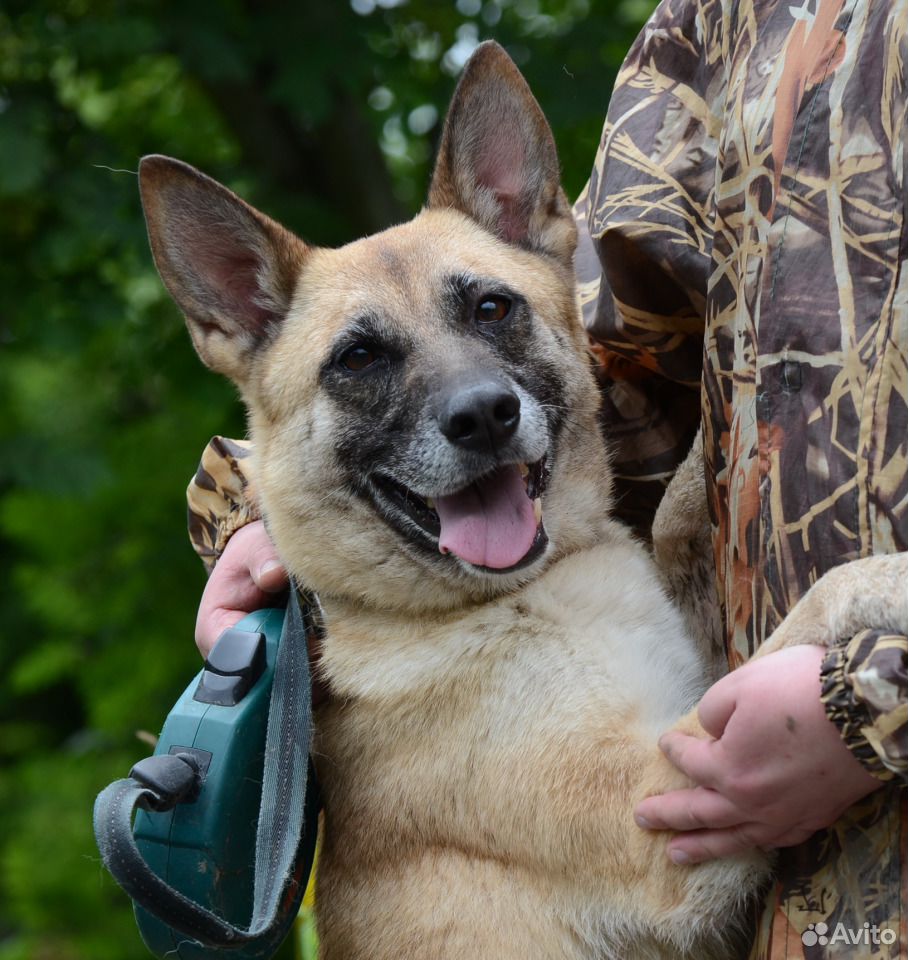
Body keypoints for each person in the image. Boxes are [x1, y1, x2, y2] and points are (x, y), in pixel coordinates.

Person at [185, 0, 908, 954]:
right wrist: (861, 616)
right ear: (240, 320)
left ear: (531, 231)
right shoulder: (406, 704)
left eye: (491, 310)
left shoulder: (572, 572)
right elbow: (675, 865)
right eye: (362, 361)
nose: (472, 398)